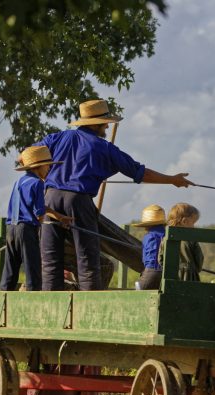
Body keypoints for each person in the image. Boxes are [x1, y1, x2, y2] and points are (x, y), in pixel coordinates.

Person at [36, 98, 193, 292]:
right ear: (97, 123)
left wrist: (46, 176)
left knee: (50, 259)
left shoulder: (57, 138)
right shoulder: (104, 148)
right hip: (78, 201)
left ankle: (49, 309)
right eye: (106, 124)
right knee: (87, 260)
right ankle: (86, 310)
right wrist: (171, 179)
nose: (107, 128)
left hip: (49, 198)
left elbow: (27, 155)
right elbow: (140, 172)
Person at [0, 146, 72, 291]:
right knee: (33, 269)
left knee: (10, 270)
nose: (49, 169)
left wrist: (59, 217)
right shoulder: (38, 183)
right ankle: (34, 300)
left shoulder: (19, 182)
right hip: (26, 230)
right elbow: (39, 213)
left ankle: (2, 298)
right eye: (47, 166)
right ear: (38, 166)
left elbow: (32, 205)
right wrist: (39, 227)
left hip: (11, 229)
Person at [166, 203, 203, 282]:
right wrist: (195, 269)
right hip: (189, 278)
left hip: (169, 278)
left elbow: (160, 259)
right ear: (184, 221)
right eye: (193, 223)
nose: (194, 227)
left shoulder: (165, 238)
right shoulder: (191, 238)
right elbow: (199, 259)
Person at [133, 204, 167, 290]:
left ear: (147, 225)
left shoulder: (149, 236)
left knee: (137, 292)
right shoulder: (168, 235)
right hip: (168, 274)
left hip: (152, 272)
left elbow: (150, 259)